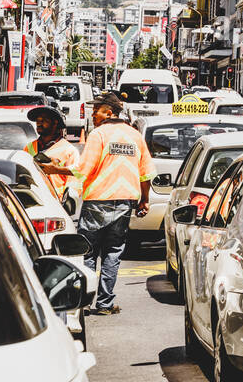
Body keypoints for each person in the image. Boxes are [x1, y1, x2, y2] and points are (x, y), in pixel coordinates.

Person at [46, 92, 154, 316]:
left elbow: (83, 170)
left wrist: (56, 170)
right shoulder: (135, 136)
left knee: (88, 252)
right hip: (125, 202)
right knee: (113, 252)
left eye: (97, 110)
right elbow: (146, 174)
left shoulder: (99, 135)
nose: (93, 114)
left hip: (97, 201)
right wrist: (144, 200)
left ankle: (84, 302)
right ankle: (105, 304)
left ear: (109, 112)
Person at [25, 106, 80, 202]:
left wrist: (67, 203)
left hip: (56, 203)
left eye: (44, 120)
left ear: (55, 123)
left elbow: (75, 181)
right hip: (33, 200)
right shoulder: (29, 147)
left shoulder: (69, 151)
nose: (39, 123)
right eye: (38, 120)